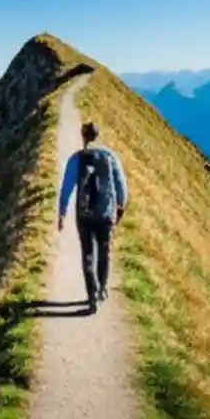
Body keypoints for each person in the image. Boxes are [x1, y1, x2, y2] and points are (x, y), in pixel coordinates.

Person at [58, 121, 128, 313]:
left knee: (88, 253)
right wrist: (121, 206)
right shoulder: (111, 157)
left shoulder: (77, 159)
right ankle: (103, 288)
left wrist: (62, 212)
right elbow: (121, 185)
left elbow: (66, 188)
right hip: (106, 212)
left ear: (83, 137)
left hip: (84, 214)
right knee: (104, 250)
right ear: (99, 136)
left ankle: (91, 296)